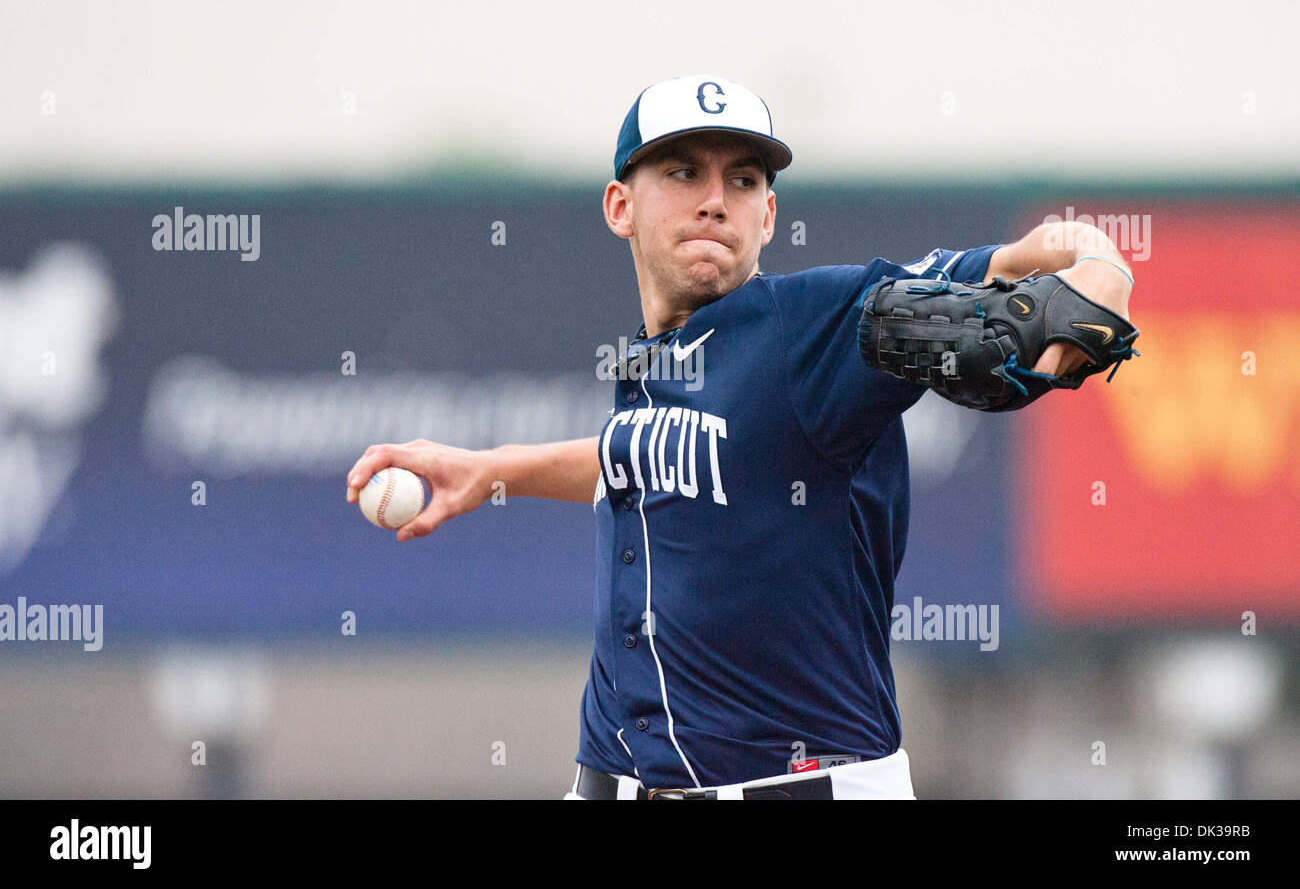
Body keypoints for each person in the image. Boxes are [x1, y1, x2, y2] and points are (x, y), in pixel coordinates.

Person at [346, 75, 1135, 799]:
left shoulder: (816, 324)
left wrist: (1100, 267)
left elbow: (1038, 279)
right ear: (621, 206)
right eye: (684, 172)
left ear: (769, 216)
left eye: (744, 180)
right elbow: (637, 455)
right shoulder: (659, 360)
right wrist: (488, 470)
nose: (715, 200)